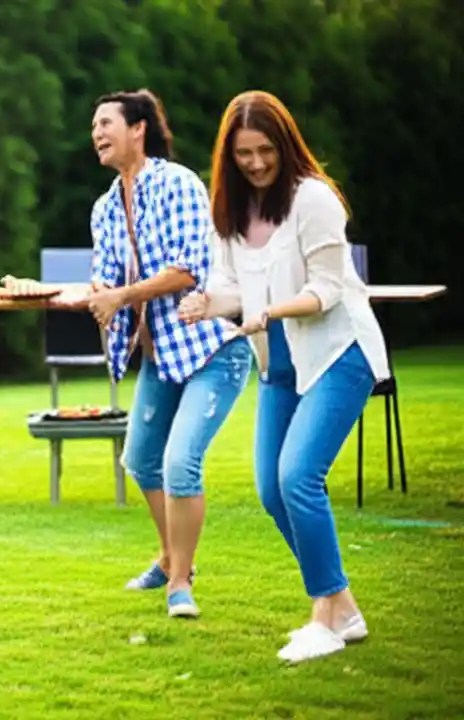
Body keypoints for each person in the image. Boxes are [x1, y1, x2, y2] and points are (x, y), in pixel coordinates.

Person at [179, 90, 387, 662]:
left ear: (285, 144)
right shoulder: (230, 210)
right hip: (279, 365)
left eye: (265, 150)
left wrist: (268, 311)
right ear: (229, 155)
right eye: (244, 153)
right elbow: (231, 290)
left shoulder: (313, 199)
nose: (256, 163)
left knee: (298, 477)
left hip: (338, 354)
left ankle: (324, 614)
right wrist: (206, 303)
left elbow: (326, 291)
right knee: (272, 491)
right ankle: (343, 607)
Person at [86, 90, 252, 618]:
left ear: (138, 129)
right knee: (140, 459)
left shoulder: (177, 183)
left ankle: (180, 581)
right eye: (93, 126)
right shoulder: (106, 206)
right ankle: (167, 556)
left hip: (210, 351)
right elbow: (108, 275)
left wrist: (122, 295)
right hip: (161, 358)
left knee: (181, 464)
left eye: (106, 122)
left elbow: (188, 271)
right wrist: (97, 290)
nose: (96, 133)